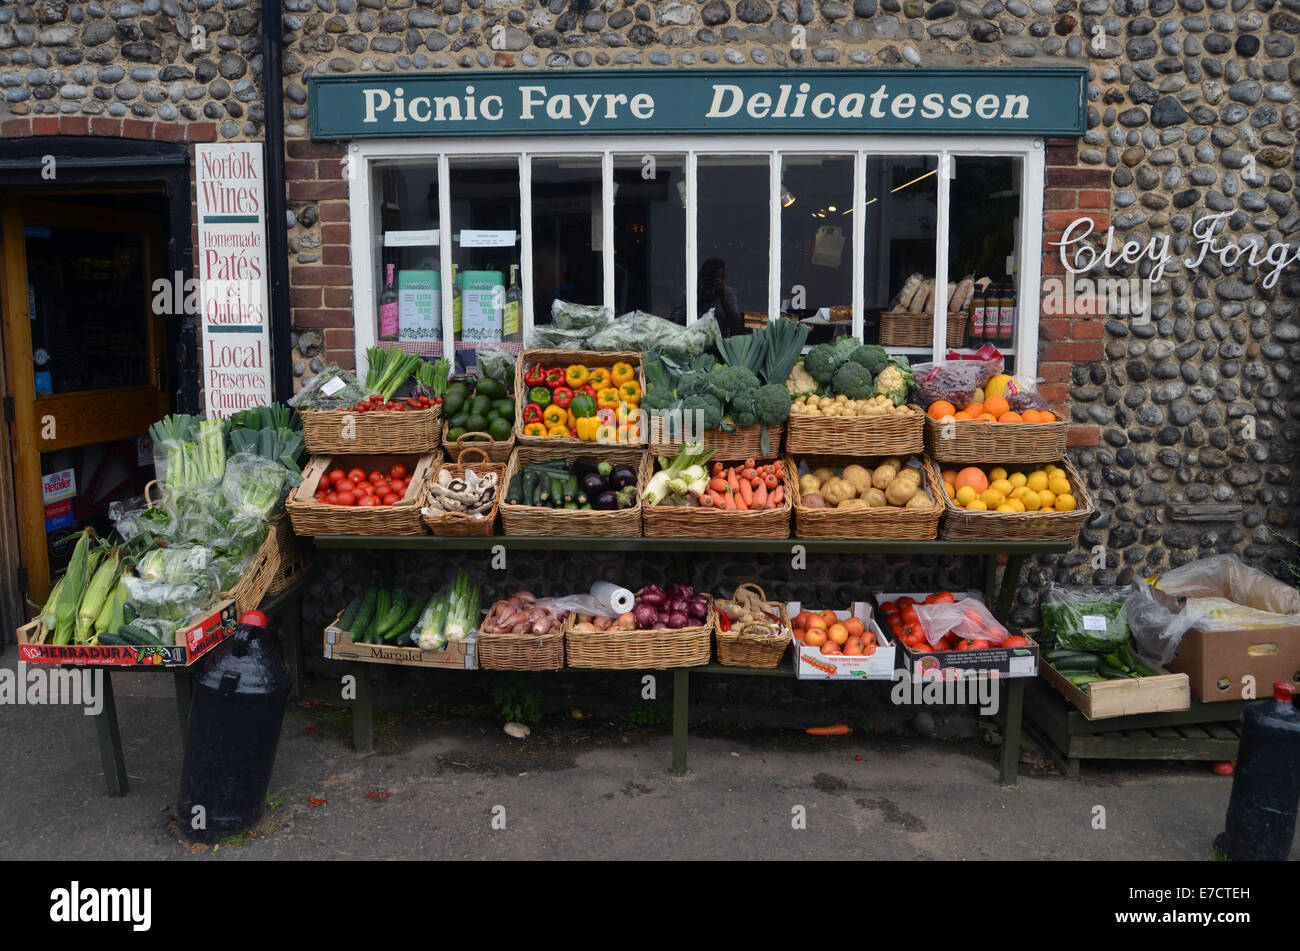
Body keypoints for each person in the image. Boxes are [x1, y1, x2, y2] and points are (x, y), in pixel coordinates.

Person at [671, 258, 744, 337]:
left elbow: (737, 324)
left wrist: (722, 297)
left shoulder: (727, 293)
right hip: (694, 343)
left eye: (720, 278)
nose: (713, 284)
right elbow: (678, 325)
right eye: (711, 279)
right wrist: (697, 300)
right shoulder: (689, 295)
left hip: (721, 345)